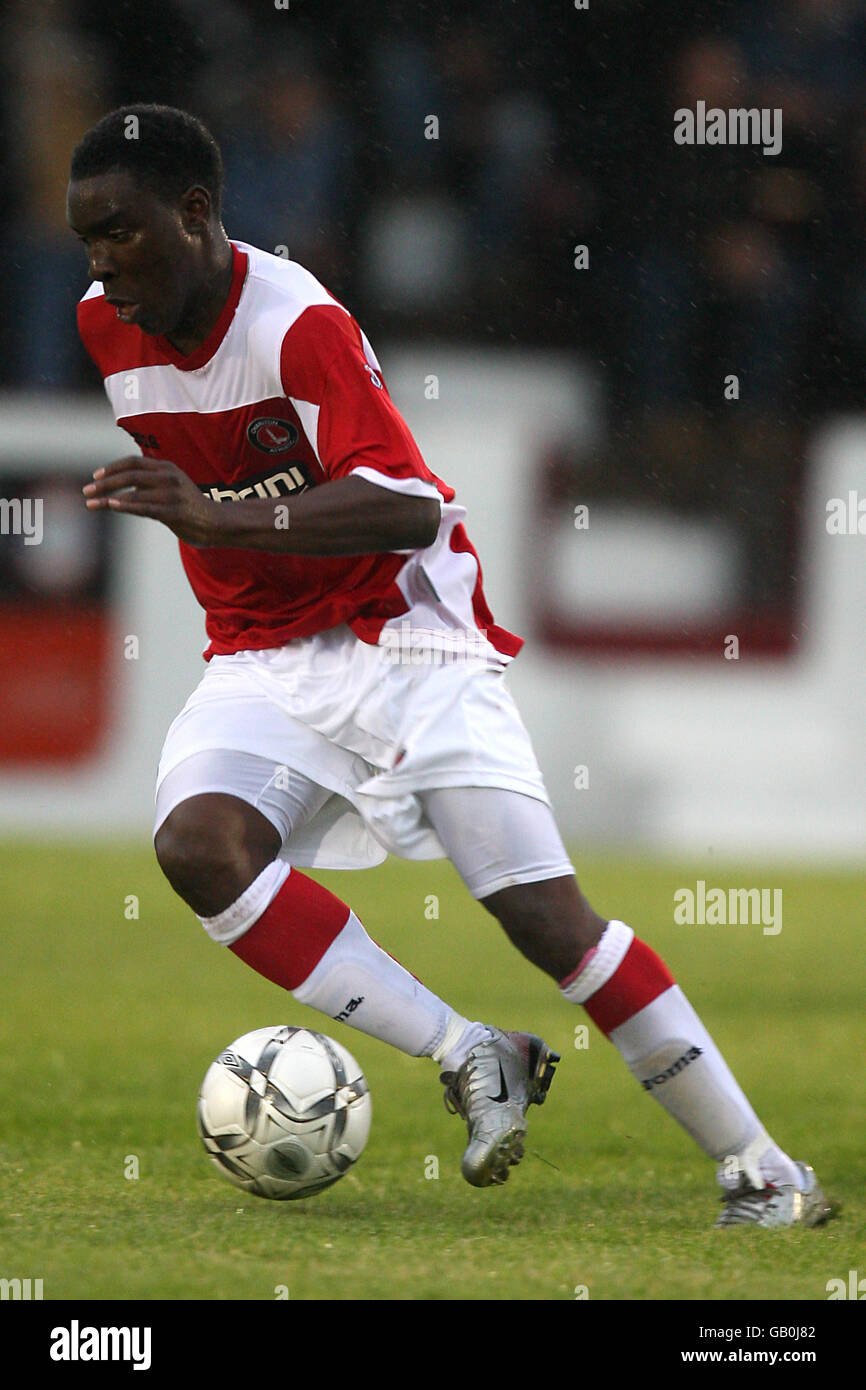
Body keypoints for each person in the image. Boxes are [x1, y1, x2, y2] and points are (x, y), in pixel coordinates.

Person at [68, 104, 831, 1225]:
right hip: (264, 655)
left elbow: (406, 509)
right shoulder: (103, 323)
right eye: (86, 239)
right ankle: (472, 1049)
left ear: (193, 213)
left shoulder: (296, 323)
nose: (99, 266)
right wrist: (220, 526)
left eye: (119, 233)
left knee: (546, 923)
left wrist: (221, 517)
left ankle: (763, 1172)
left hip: (406, 640)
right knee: (199, 845)